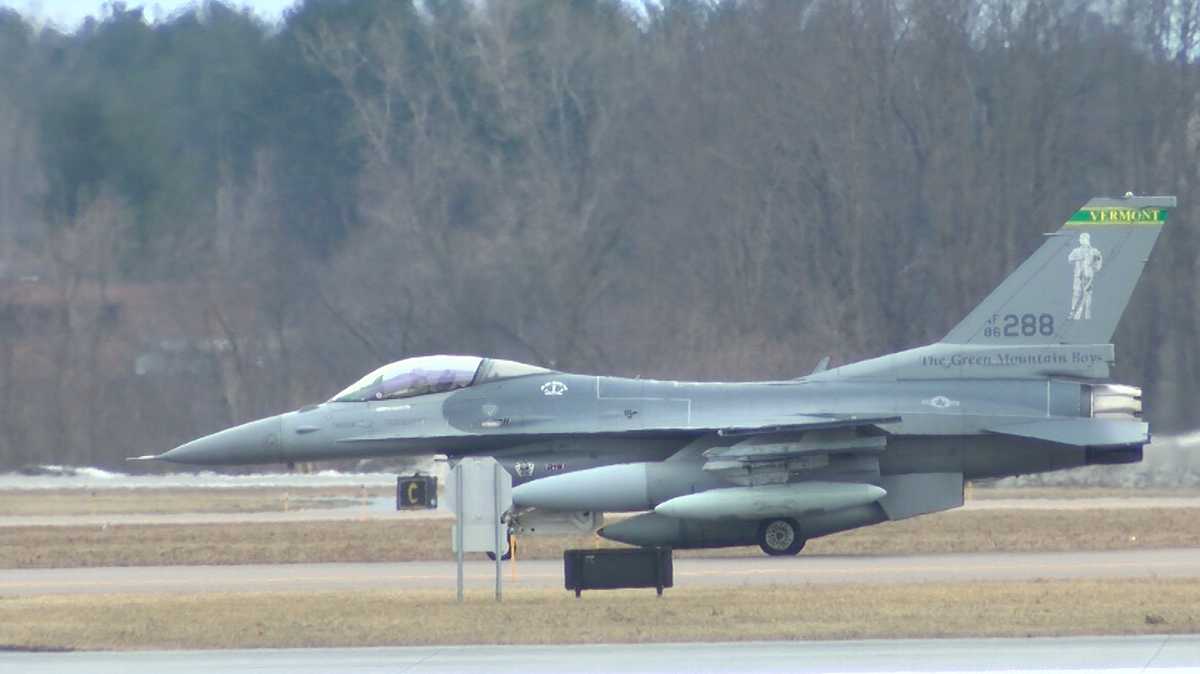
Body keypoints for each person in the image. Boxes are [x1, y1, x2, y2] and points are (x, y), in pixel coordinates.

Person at [1068, 232, 1103, 320]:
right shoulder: (1076, 251)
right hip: (1078, 276)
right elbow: (1070, 259)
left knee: (1088, 295)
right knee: (1076, 293)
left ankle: (1087, 314)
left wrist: (1095, 265)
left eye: (1083, 239)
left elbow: (1098, 262)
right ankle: (1073, 311)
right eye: (1081, 239)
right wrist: (1078, 259)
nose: (1081, 240)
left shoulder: (1094, 251)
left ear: (1087, 240)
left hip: (1088, 277)